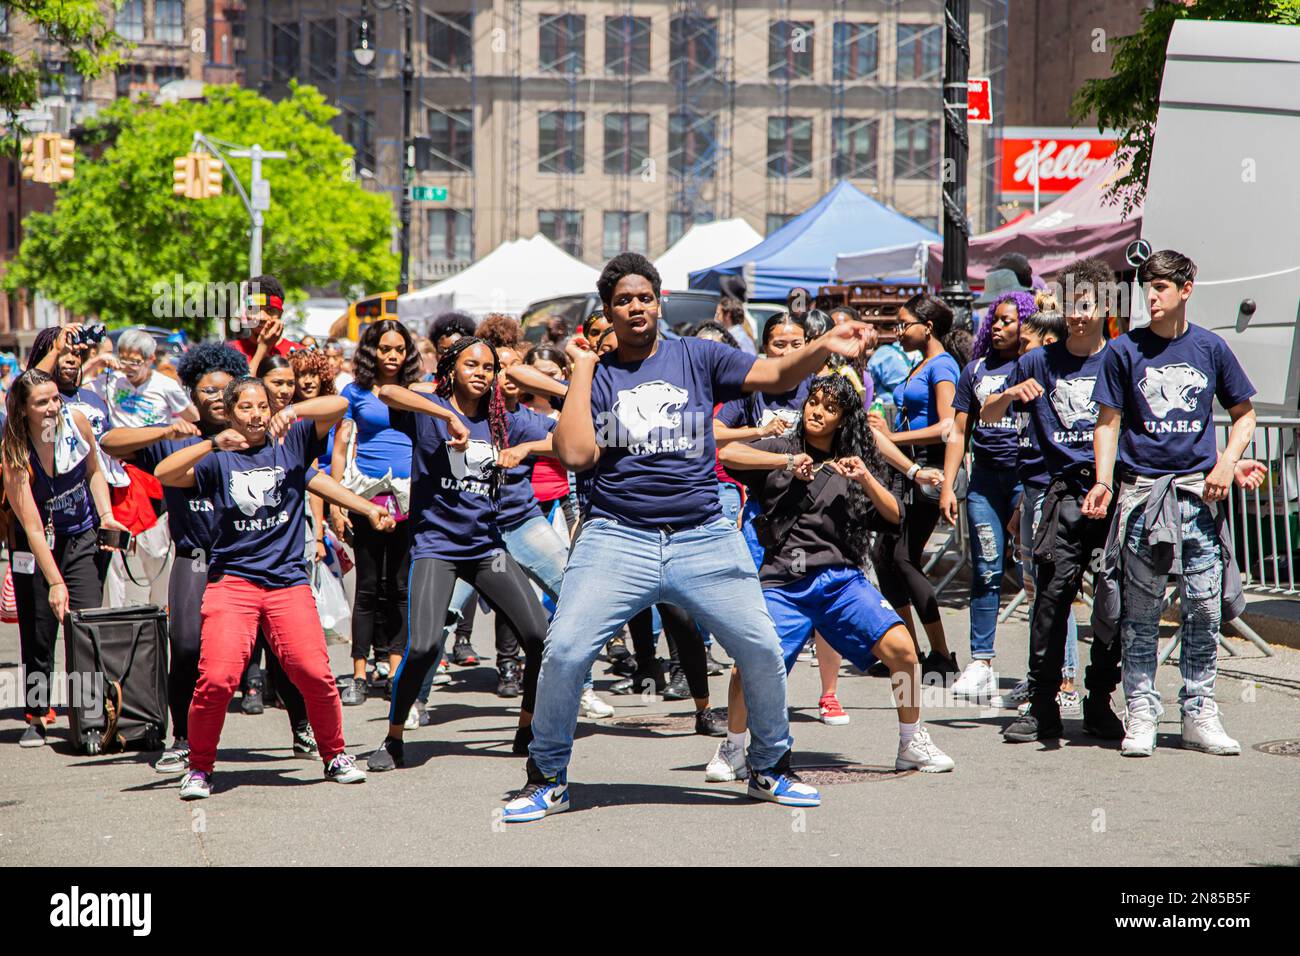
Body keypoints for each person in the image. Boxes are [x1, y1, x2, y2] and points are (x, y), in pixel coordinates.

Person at [502, 253, 870, 823]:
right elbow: (575, 454)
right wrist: (578, 371)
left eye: (644, 297)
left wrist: (824, 346)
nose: (635, 307)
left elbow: (774, 375)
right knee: (567, 651)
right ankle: (547, 776)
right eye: (623, 300)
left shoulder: (696, 355)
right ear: (608, 310)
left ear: (660, 300)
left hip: (703, 536)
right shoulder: (595, 376)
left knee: (761, 647)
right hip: (616, 539)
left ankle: (769, 766)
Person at [709, 372, 955, 780]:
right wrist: (786, 461)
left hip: (841, 582)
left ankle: (911, 742)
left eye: (830, 408)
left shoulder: (855, 460)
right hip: (783, 582)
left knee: (904, 651)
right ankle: (734, 748)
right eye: (814, 403)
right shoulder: (782, 448)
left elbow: (895, 516)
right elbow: (730, 454)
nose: (818, 412)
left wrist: (865, 478)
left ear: (843, 418)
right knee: (746, 665)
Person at [155, 377, 384, 798]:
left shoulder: (291, 440)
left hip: (286, 583)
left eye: (262, 406)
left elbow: (338, 404)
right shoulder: (217, 457)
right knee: (219, 679)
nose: (256, 415)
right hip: (233, 583)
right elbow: (163, 473)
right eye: (245, 407)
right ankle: (200, 767)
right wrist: (211, 444)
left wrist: (293, 410)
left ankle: (335, 755)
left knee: (314, 673)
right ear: (229, 411)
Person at [1088, 250, 1264, 757]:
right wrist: (1104, 482)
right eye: (1147, 287)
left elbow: (1244, 414)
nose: (1151, 296)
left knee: (1205, 610)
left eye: (1161, 287)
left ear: (1187, 288)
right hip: (1142, 496)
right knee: (1140, 613)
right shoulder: (1124, 351)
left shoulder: (1211, 347)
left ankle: (1198, 712)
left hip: (1197, 495)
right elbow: (1107, 422)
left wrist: (1228, 460)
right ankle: (1141, 711)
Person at [365, 336, 551, 771]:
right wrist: (446, 415)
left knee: (542, 638)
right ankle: (393, 738)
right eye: (471, 364)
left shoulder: (506, 420)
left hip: (487, 549)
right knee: (426, 645)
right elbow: (388, 391)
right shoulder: (428, 416)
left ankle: (526, 729)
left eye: (488, 367)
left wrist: (526, 448)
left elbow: (568, 442)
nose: (481, 372)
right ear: (452, 370)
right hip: (436, 548)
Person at [981, 257, 1126, 744]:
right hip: (1059, 495)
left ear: (1105, 306)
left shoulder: (1120, 358)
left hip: (1112, 495)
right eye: (1069, 305)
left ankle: (1100, 700)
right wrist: (1008, 396)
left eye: (1085, 306)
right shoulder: (1037, 360)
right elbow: (986, 412)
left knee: (1114, 601)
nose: (1076, 315)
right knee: (1050, 598)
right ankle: (1041, 704)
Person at [3, 370, 130, 747]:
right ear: (23, 409)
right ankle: (37, 714)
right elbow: (31, 527)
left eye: (55, 398)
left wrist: (106, 516)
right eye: (42, 402)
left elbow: (94, 472)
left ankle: (91, 713)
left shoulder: (75, 422)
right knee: (40, 630)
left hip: (81, 535)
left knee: (86, 624)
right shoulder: (14, 454)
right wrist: (55, 582)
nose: (52, 407)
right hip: (36, 547)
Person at [941, 291, 1035, 699]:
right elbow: (959, 431)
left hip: (1025, 481)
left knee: (1035, 577)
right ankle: (981, 662)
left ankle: (1047, 672)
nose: (997, 326)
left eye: (1008, 320)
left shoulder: (1033, 366)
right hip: (984, 484)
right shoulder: (974, 369)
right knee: (986, 569)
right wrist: (948, 485)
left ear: (1025, 324)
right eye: (994, 320)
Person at [867, 293, 962, 682]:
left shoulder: (942, 366)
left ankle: (941, 653)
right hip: (908, 472)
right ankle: (909, 648)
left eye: (905, 324)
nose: (898, 331)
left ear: (930, 327)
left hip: (929, 471)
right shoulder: (921, 364)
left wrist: (894, 438)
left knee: (905, 558)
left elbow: (947, 426)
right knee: (883, 556)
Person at [996, 308, 1083, 712]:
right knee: (1036, 593)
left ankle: (1064, 682)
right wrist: (1019, 509)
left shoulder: (1058, 384)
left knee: (1053, 591)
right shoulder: (1025, 385)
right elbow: (988, 414)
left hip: (1054, 495)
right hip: (1031, 493)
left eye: (1026, 344)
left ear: (1047, 346)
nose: (1020, 353)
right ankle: (1042, 680)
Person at [331, 319, 419, 706]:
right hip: (366, 497)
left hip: (410, 498)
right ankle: (360, 673)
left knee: (400, 588)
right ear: (372, 351)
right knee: (367, 588)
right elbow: (339, 448)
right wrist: (336, 502)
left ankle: (397, 671)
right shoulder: (354, 392)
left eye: (399, 349)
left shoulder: (418, 389)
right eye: (385, 349)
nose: (393, 356)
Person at [230, 275, 297, 364]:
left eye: (270, 310)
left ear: (280, 314)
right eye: (255, 309)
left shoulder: (297, 354)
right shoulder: (229, 353)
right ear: (246, 313)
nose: (261, 317)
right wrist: (263, 349)